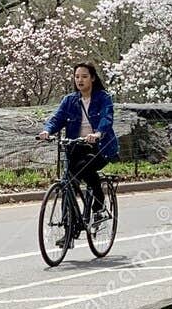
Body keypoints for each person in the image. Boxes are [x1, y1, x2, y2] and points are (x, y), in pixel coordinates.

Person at [38, 62, 118, 216]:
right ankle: (68, 225)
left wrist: (97, 134)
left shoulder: (103, 98)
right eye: (77, 77)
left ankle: (99, 198)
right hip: (75, 147)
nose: (80, 80)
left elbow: (106, 117)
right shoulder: (70, 100)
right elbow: (57, 118)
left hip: (99, 147)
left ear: (93, 78)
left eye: (84, 76)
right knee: (68, 183)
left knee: (85, 168)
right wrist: (47, 130)